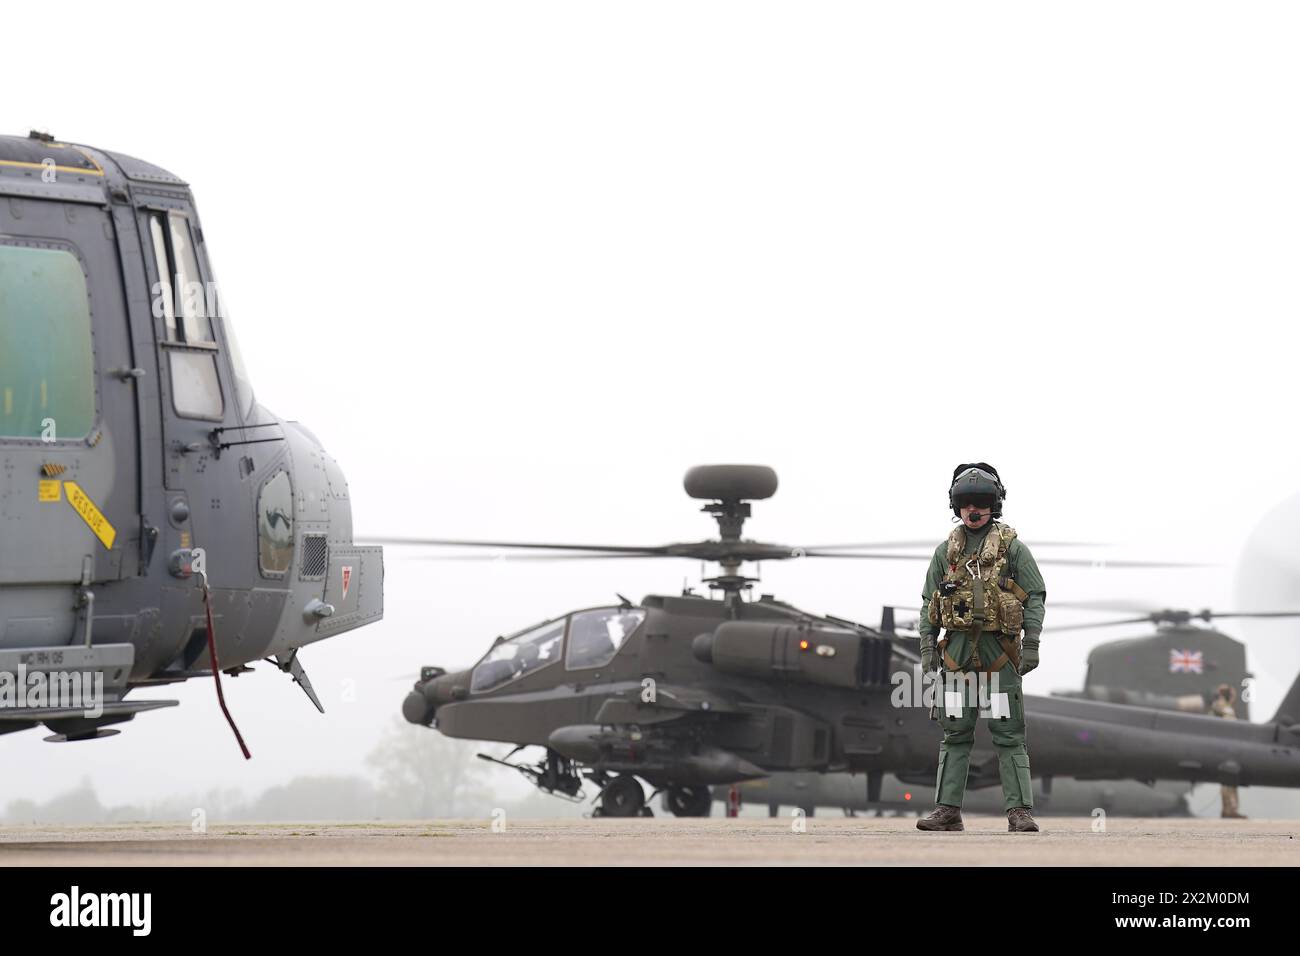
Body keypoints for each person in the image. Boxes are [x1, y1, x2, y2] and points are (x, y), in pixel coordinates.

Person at [915, 463, 1046, 833]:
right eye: (966, 502)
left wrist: (1032, 642)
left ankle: (1019, 811)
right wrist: (927, 647)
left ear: (994, 505)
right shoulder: (946, 553)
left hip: (998, 654)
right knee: (954, 731)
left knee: (1007, 732)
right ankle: (948, 809)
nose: (973, 510)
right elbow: (929, 603)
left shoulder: (1013, 550)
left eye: (981, 502)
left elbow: (1034, 595)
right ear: (956, 506)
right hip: (955, 655)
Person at [1209, 684, 1247, 819]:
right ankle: (1230, 810)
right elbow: (1231, 726)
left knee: (1228, 782)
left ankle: (1228, 810)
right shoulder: (1223, 708)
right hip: (1227, 747)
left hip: (1223, 746)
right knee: (1229, 781)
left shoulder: (1218, 707)